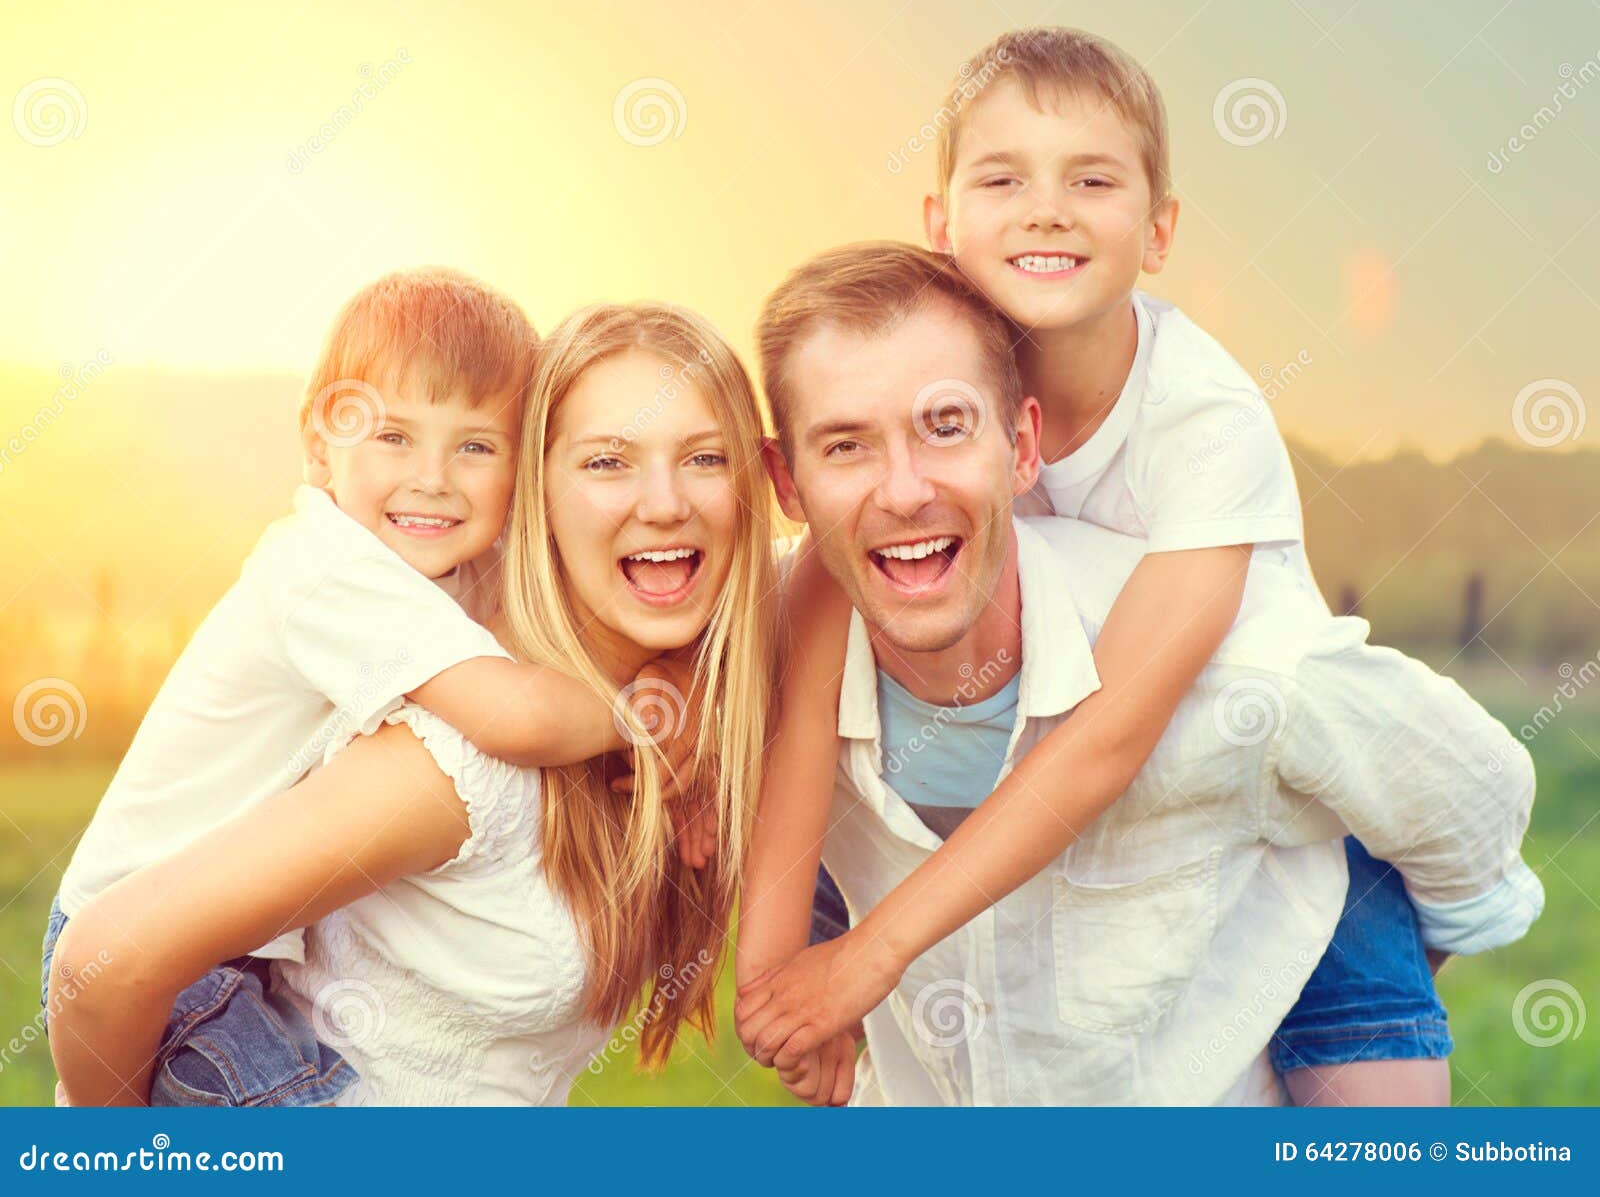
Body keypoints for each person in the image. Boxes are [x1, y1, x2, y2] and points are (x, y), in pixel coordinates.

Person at [733, 242, 1541, 1106]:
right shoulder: (770, 648)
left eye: (945, 426)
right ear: (787, 482)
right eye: (846, 445)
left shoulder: (1239, 674)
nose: (902, 490)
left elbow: (1473, 792)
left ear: (1023, 446)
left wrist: (1370, 975)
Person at [46, 301, 775, 1105]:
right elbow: (102, 965)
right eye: (606, 462)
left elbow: (822, 565)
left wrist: (686, 687)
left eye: (706, 458)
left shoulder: (456, 585)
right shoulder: (364, 618)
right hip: (141, 944)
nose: (666, 502)